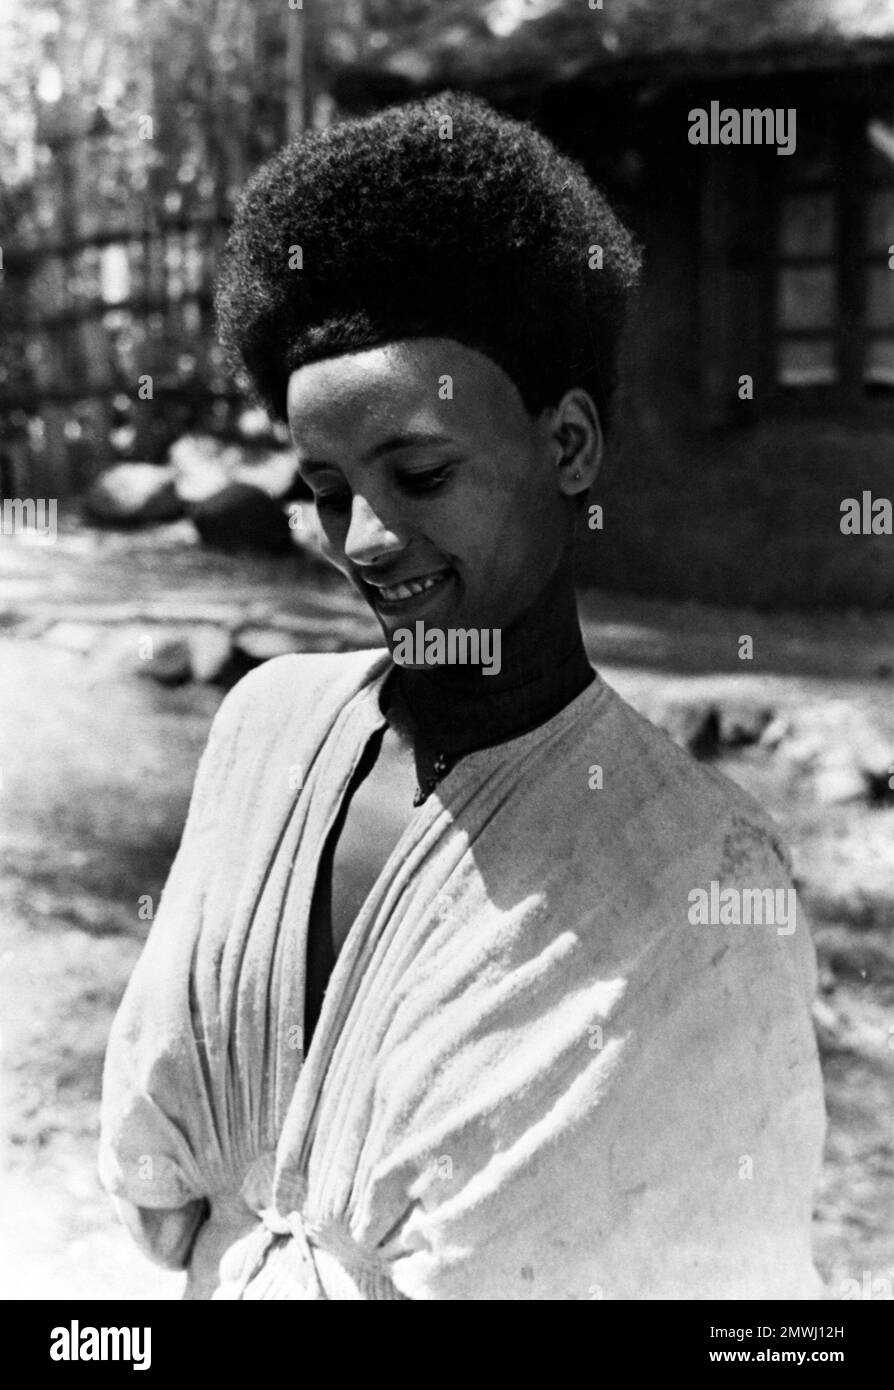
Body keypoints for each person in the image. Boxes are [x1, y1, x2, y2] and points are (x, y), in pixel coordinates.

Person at [99, 93, 826, 1299]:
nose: (369, 539)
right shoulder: (267, 731)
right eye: (328, 489)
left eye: (422, 472)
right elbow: (164, 1170)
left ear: (572, 446)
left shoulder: (697, 873)